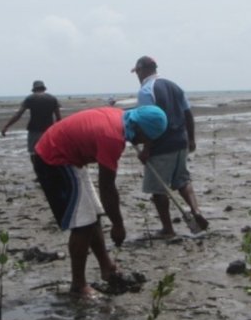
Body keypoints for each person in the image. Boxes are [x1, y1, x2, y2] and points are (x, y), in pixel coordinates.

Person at [33, 105, 167, 297]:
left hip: (71, 157)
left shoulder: (121, 116)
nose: (144, 142)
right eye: (146, 138)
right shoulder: (112, 137)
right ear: (139, 129)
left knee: (93, 215)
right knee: (82, 225)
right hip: (54, 159)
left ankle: (107, 267)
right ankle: (78, 285)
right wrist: (118, 225)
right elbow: (107, 187)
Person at [131, 55, 208, 237]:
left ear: (142, 70)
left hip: (161, 144)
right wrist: (191, 139)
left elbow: (148, 121)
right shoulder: (174, 85)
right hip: (180, 140)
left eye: (137, 71)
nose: (137, 75)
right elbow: (187, 113)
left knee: (158, 189)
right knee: (183, 180)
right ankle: (196, 211)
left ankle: (168, 229)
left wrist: (146, 149)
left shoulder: (146, 91)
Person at [1, 80, 62, 161]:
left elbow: (18, 114)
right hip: (49, 130)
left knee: (34, 153)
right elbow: (58, 118)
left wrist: (6, 126)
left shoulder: (30, 98)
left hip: (34, 130)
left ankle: (38, 170)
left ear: (34, 89)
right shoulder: (52, 99)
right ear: (43, 88)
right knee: (48, 152)